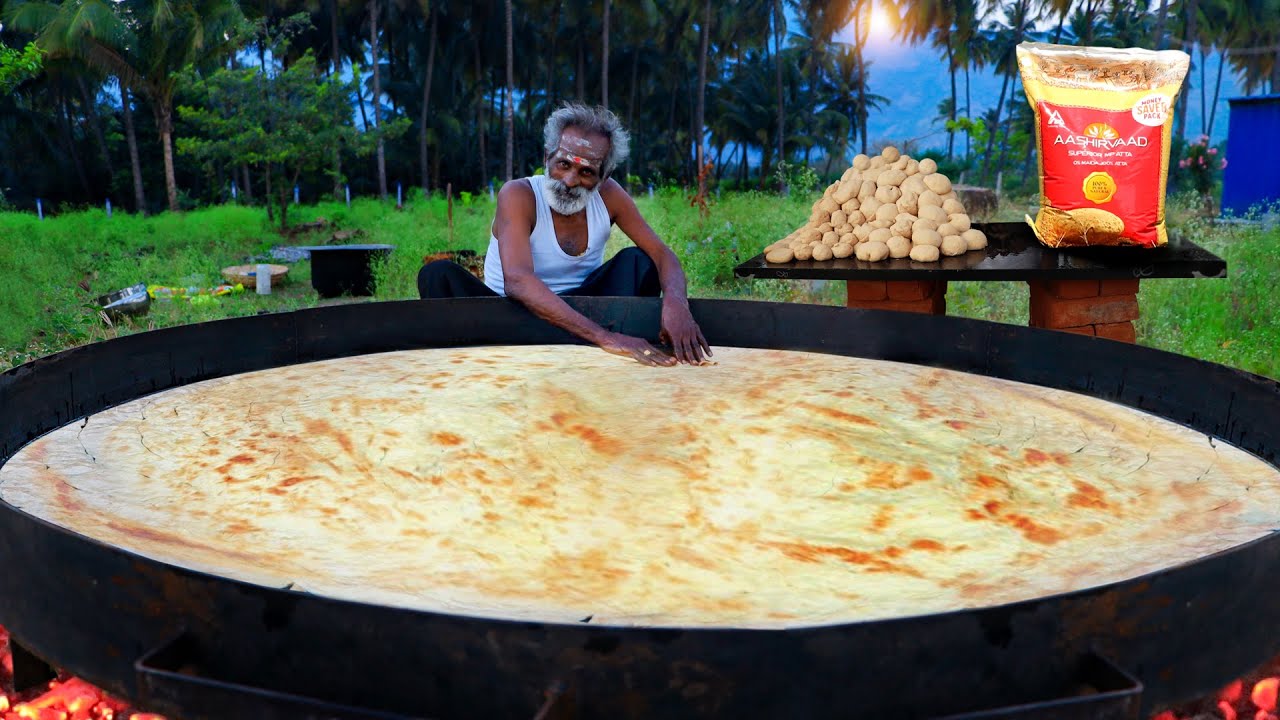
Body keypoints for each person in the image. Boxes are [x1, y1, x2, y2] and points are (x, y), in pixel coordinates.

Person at [418, 103, 711, 367]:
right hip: (509, 315)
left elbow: (662, 255)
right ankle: (588, 340)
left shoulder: (610, 196)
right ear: (547, 157)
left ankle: (578, 338)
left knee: (639, 261)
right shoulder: (519, 194)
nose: (571, 181)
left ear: (604, 176)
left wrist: (676, 304)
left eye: (586, 172)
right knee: (437, 275)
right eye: (563, 164)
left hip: (584, 308)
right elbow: (518, 281)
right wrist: (604, 337)